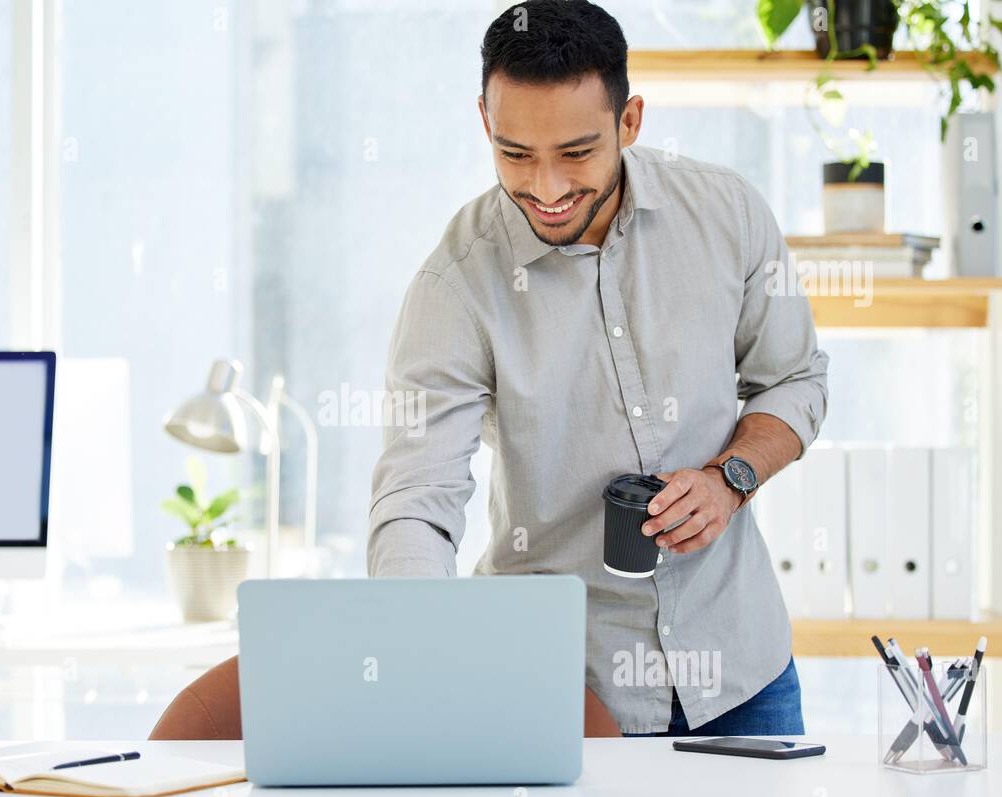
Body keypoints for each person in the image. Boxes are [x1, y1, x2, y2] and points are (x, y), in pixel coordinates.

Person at [152, 0, 827, 741]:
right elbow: (418, 493)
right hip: (568, 686)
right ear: (484, 121)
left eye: (576, 154)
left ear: (629, 121)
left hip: (741, 670)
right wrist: (414, 637)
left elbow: (794, 380)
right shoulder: (457, 284)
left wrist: (730, 479)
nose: (545, 188)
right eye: (515, 154)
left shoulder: (725, 214)